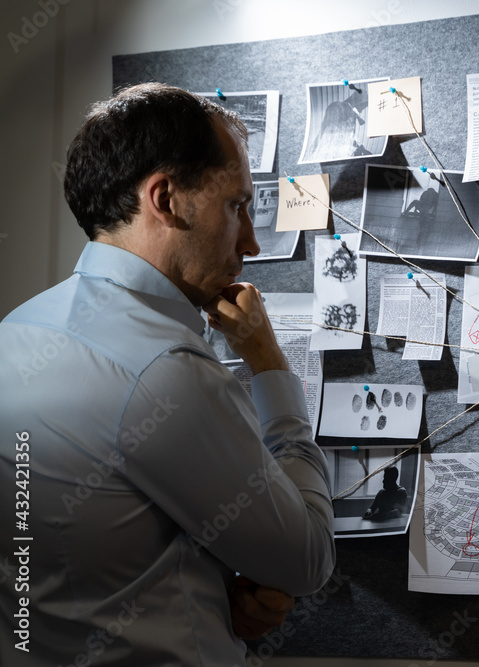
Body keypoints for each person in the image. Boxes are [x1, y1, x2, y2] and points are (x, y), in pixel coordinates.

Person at [0, 83, 336, 666]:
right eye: (237, 206)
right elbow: (306, 559)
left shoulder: (15, 333)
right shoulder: (165, 371)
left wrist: (206, 581)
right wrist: (269, 365)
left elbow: (76, 548)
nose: (252, 243)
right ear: (166, 199)